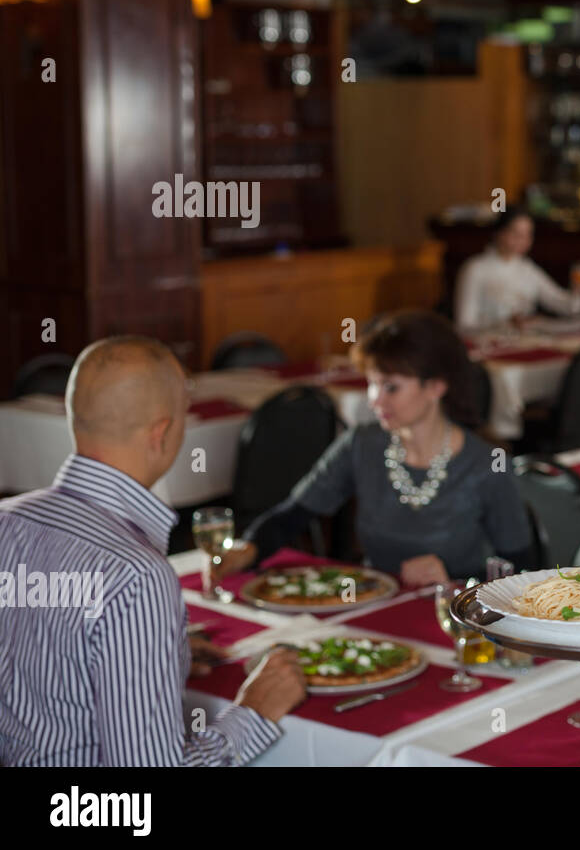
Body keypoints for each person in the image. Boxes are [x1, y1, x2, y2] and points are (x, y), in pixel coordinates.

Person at [0, 336, 305, 765]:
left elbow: (38, 644)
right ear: (161, 433)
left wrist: (160, 652)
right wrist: (254, 713)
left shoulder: (5, 520)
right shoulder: (136, 574)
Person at [244, 310, 537, 585]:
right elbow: (292, 516)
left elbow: (523, 572)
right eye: (372, 384)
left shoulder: (487, 465)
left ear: (436, 387)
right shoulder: (362, 444)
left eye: (391, 387)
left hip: (454, 624)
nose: (375, 400)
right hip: (371, 616)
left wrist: (455, 579)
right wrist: (245, 548)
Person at [454, 205, 580, 331]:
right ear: (499, 233)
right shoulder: (475, 269)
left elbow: (562, 304)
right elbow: (464, 325)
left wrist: (579, 290)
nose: (523, 240)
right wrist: (506, 323)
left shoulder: (527, 269)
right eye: (516, 234)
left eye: (527, 235)